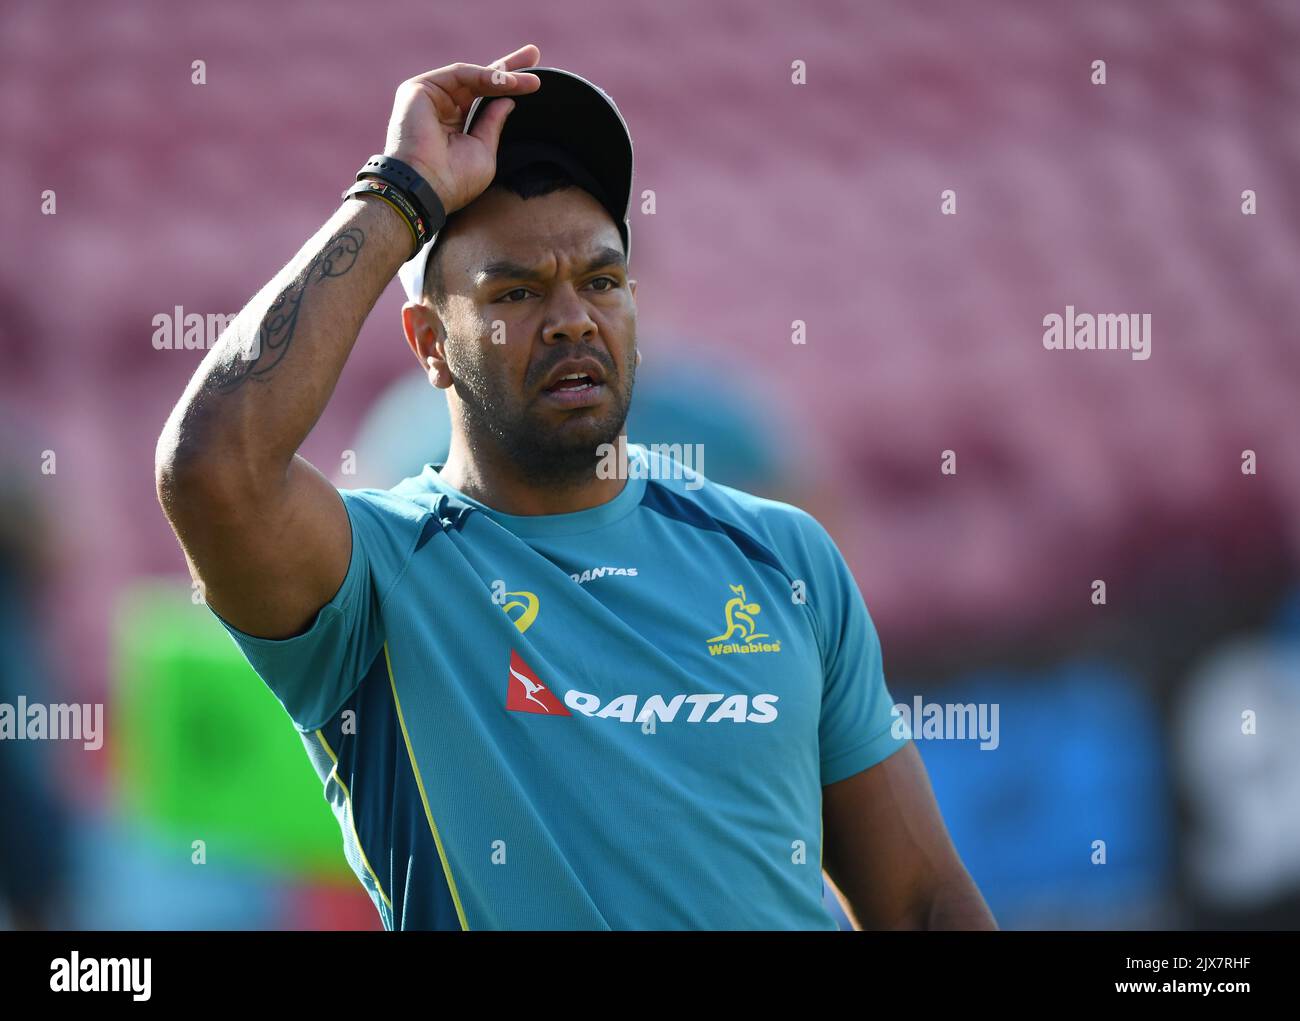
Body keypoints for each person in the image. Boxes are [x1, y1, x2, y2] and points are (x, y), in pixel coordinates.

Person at [154, 43, 995, 931]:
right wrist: (398, 192)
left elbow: (921, 899)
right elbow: (214, 469)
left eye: (601, 280)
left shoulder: (783, 555)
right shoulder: (376, 579)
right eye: (514, 293)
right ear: (429, 342)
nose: (571, 319)